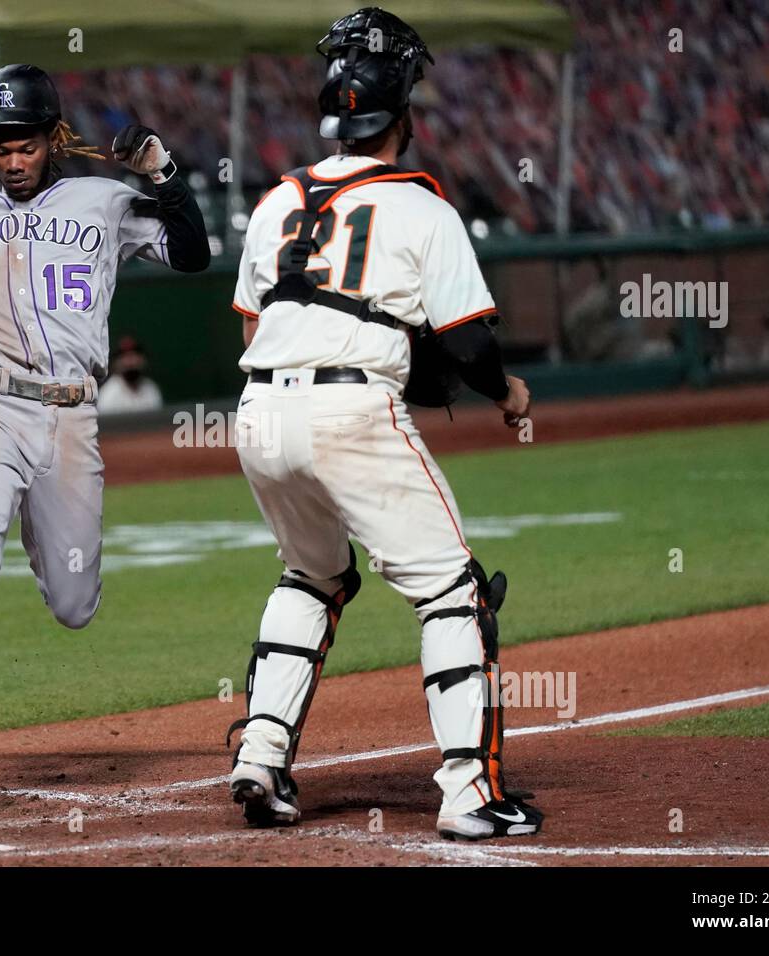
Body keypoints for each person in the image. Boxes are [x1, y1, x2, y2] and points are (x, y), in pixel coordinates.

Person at [225, 8, 541, 841]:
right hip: (352, 408)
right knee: (451, 590)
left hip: (258, 413)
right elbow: (469, 342)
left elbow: (253, 330)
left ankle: (260, 757)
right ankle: (470, 793)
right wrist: (505, 391)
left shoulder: (275, 201)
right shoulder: (420, 207)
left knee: (311, 577)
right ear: (404, 119)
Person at [0, 64, 209, 769]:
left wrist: (162, 171)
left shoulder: (104, 200)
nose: (12, 160)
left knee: (74, 603)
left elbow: (193, 255)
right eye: (0, 147)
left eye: (25, 145)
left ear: (53, 138)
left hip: (69, 418)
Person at [96, 336, 162, 415]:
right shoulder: (108, 394)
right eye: (125, 357)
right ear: (116, 363)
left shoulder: (151, 389)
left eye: (134, 355)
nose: (131, 362)